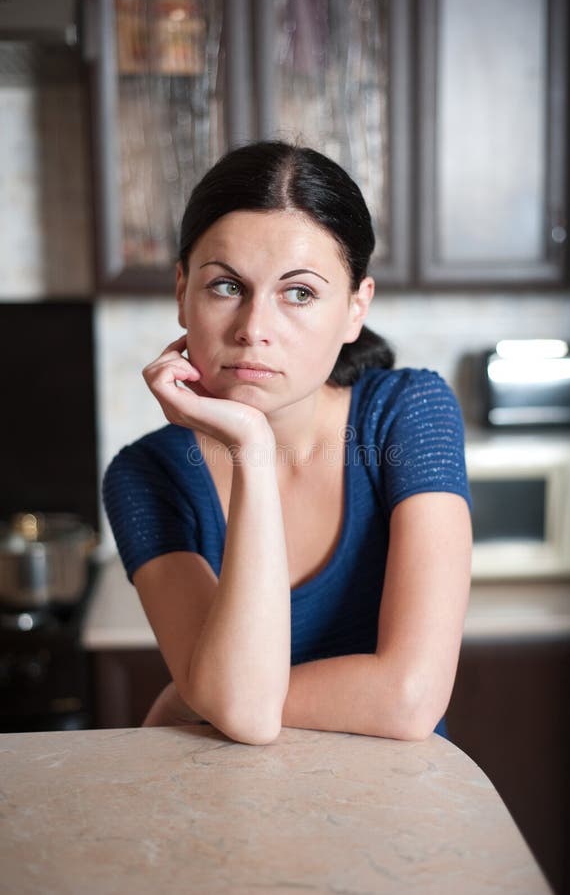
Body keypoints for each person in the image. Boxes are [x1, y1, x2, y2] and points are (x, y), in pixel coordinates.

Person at [103, 140, 472, 746]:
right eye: (226, 286)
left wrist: (199, 699)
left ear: (355, 308)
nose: (254, 330)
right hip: (229, 797)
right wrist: (252, 447)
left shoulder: (407, 413)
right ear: (182, 291)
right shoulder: (146, 475)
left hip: (393, 794)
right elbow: (243, 712)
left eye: (299, 293)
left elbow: (409, 698)